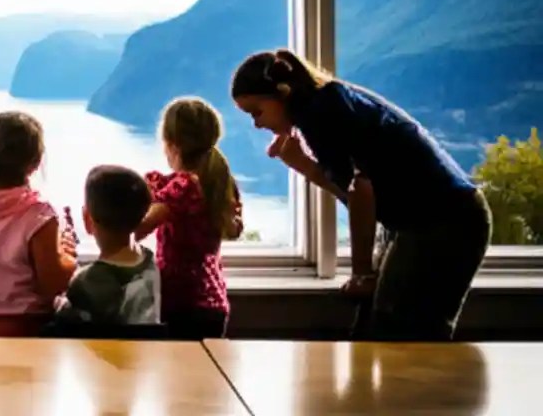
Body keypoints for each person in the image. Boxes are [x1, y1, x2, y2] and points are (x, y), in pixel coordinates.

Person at [231, 48, 492, 340]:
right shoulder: (329, 100)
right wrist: (304, 165)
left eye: (257, 111)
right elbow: (355, 191)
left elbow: (361, 193)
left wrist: (362, 273)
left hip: (443, 221)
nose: (256, 123)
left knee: (402, 332)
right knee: (378, 327)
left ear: (283, 92)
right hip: (430, 218)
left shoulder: (322, 112)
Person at [0, 111, 78, 337]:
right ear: (35, 163)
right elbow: (52, 285)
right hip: (27, 329)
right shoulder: (38, 213)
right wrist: (68, 256)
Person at [134, 97, 243, 339]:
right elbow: (233, 228)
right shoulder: (220, 180)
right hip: (212, 301)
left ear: (172, 145)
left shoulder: (182, 188)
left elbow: (138, 231)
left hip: (182, 304)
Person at [52, 165, 160, 329]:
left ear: (87, 219)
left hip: (106, 353)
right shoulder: (149, 261)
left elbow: (65, 320)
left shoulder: (86, 282)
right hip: (142, 352)